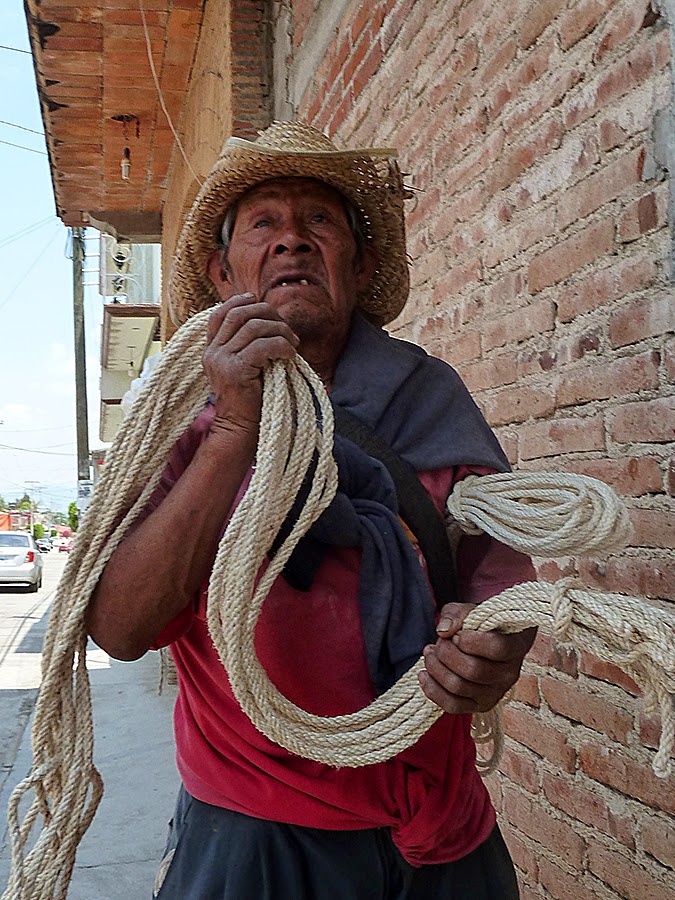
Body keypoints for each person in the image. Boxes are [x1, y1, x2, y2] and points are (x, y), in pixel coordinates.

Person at [87, 122, 536, 899]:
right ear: (222, 272)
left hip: (439, 830)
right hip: (252, 837)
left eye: (318, 221)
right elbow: (121, 630)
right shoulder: (178, 419)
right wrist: (233, 429)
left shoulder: (430, 400)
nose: (292, 240)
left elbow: (501, 576)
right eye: (264, 224)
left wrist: (493, 649)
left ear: (357, 268)